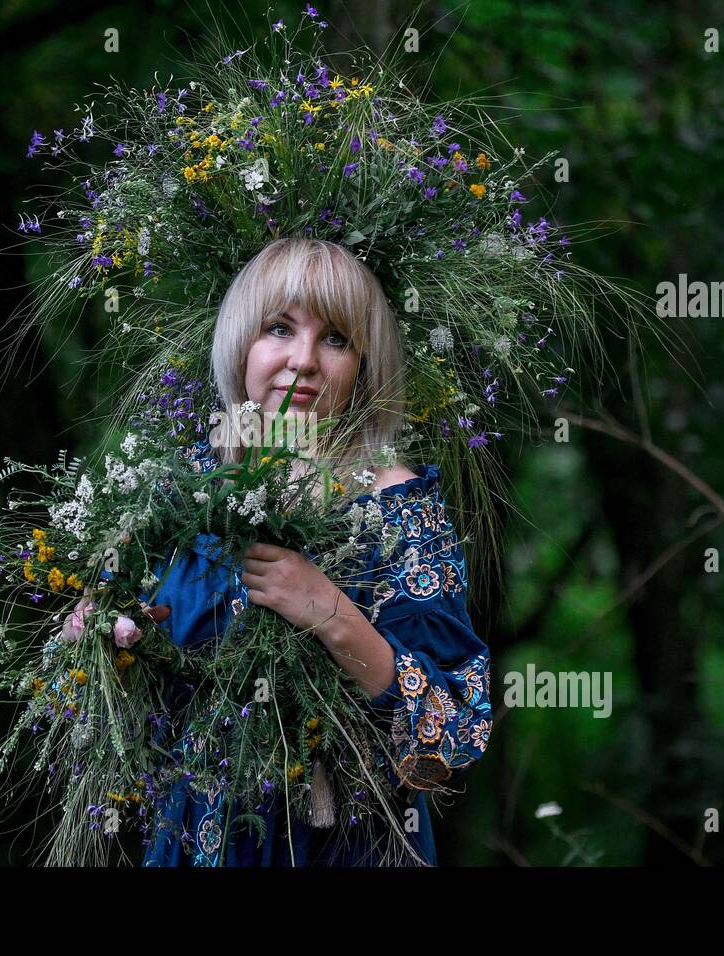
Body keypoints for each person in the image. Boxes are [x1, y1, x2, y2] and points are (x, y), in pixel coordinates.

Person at [137, 238, 494, 867]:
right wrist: (112, 644)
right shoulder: (183, 490)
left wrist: (332, 612)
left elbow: (459, 728)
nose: (303, 360)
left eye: (336, 339)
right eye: (280, 328)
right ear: (241, 340)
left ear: (364, 367)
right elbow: (133, 703)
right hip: (201, 840)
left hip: (345, 845)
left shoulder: (402, 514)